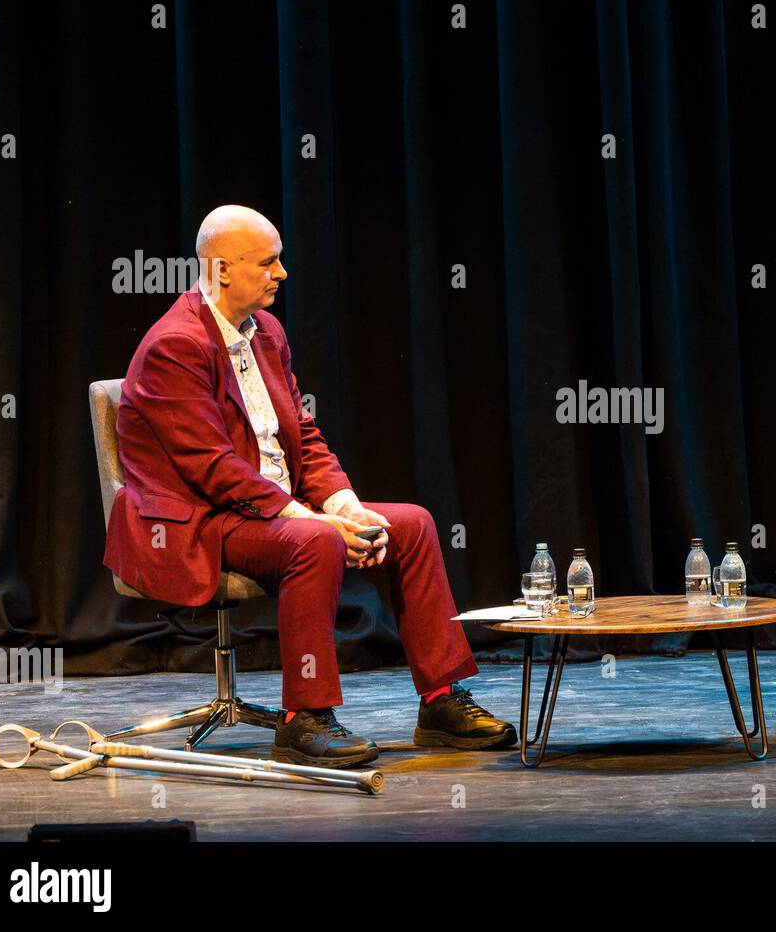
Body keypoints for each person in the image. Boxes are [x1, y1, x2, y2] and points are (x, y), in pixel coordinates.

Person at [104, 204, 515, 768]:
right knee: (316, 542)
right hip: (199, 520)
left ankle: (441, 702)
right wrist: (313, 520)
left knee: (410, 523)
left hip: (270, 510)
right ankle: (305, 719)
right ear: (222, 269)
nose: (282, 274)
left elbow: (304, 437)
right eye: (268, 263)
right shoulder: (176, 344)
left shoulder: (266, 331)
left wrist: (343, 505)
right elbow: (213, 469)